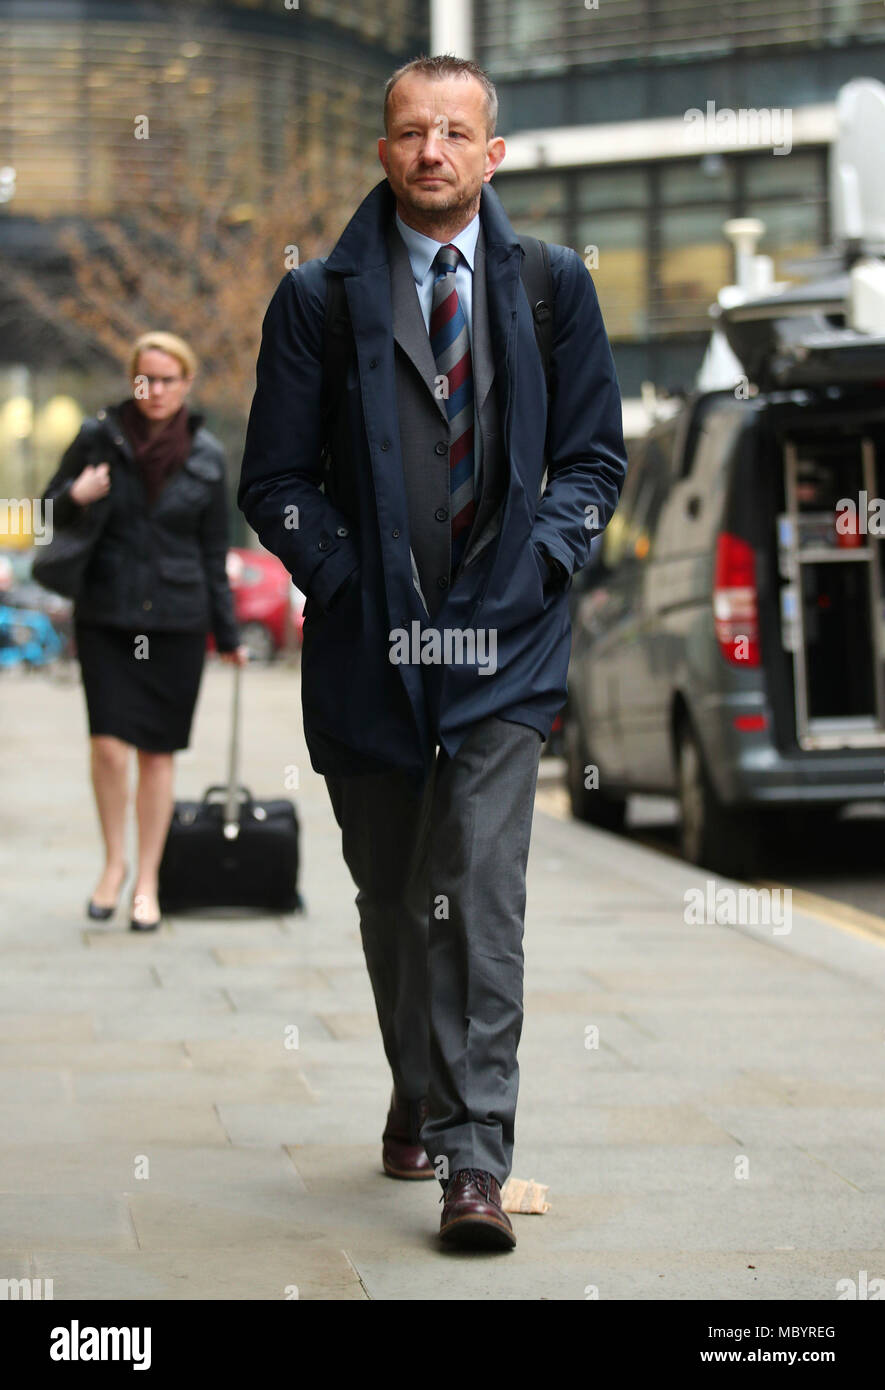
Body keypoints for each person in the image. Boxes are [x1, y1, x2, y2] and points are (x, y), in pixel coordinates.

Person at [238, 55, 627, 1250]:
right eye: (411, 132)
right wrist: (351, 586)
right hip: (372, 656)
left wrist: (544, 565)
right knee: (396, 900)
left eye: (457, 132)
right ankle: (417, 1078)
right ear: (383, 151)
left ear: (492, 153)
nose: (433, 152)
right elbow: (276, 480)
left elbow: (595, 462)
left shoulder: (555, 287)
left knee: (480, 898)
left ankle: (473, 1156)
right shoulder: (319, 297)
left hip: (503, 652)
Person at [41, 331, 249, 932]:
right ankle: (113, 864)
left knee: (158, 756)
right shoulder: (97, 438)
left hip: (178, 622)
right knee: (108, 743)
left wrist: (229, 635)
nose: (154, 390)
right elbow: (45, 509)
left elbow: (215, 552)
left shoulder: (208, 456)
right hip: (106, 613)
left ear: (186, 384)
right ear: (133, 380)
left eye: (167, 379)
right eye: (145, 378)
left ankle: (148, 882)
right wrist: (74, 494)